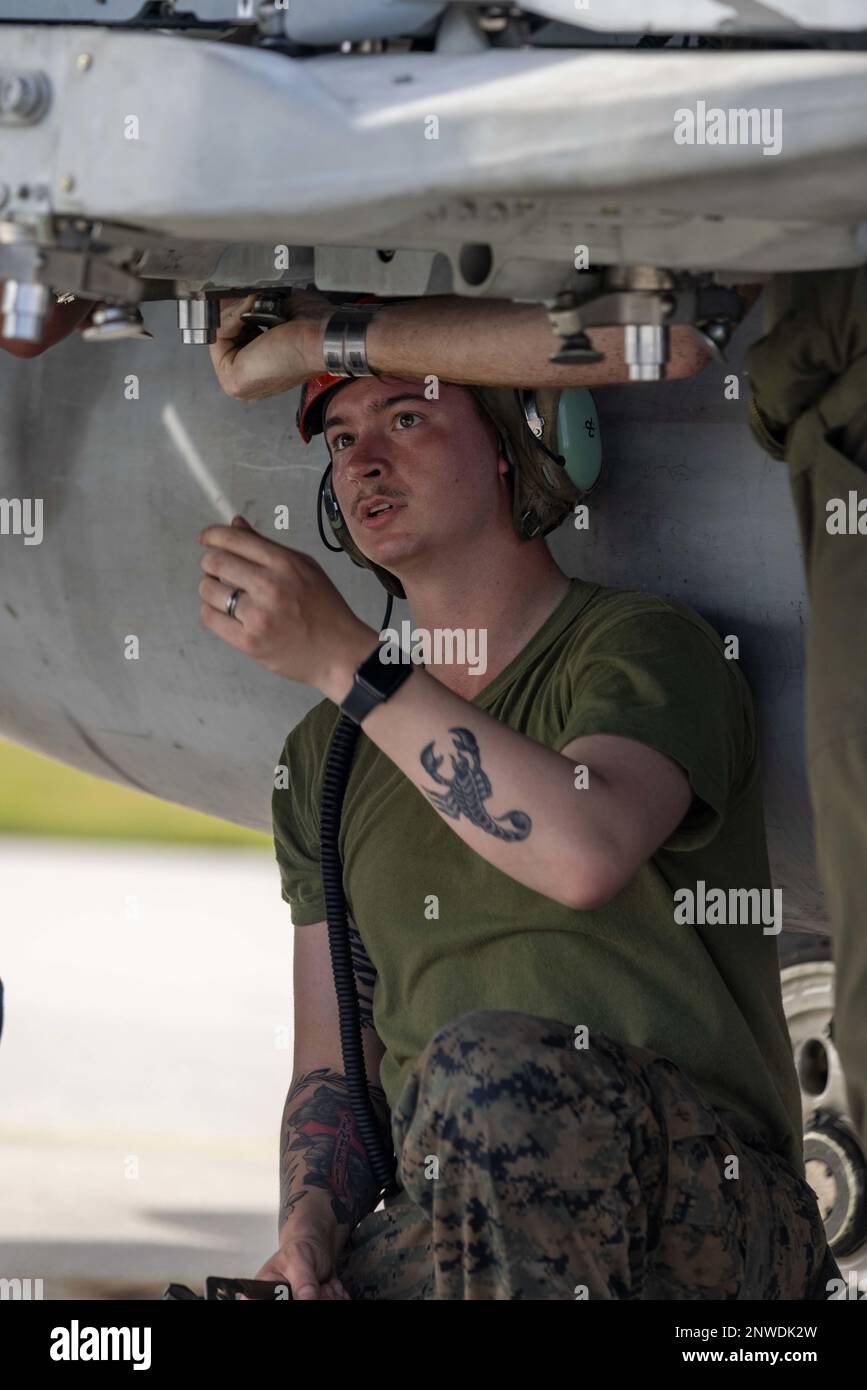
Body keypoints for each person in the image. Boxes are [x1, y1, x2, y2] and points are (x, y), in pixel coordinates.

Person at [190, 351, 836, 1298]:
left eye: (406, 419)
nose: (363, 460)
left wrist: (350, 665)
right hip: (461, 1212)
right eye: (341, 440)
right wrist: (310, 1228)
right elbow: (334, 1068)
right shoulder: (322, 755)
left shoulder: (639, 648)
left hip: (701, 1212)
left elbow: (584, 850)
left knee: (490, 1077)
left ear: (515, 445)